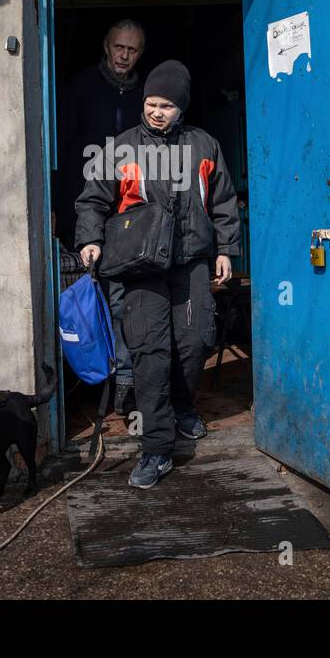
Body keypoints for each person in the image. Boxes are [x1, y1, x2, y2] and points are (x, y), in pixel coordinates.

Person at [75, 59, 241, 489]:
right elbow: (92, 199)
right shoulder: (121, 147)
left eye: (166, 105)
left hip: (192, 262)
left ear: (181, 108)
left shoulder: (205, 145)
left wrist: (227, 249)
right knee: (150, 353)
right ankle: (156, 449)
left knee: (195, 340)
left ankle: (183, 406)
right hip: (140, 267)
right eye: (151, 103)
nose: (156, 112)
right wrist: (89, 239)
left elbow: (224, 202)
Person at [55, 20, 146, 413]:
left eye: (133, 50)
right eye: (119, 47)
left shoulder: (147, 95)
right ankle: (91, 381)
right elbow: (59, 149)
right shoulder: (80, 86)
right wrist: (56, 206)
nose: (124, 55)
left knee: (127, 299)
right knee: (87, 297)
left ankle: (124, 384)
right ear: (106, 47)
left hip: (130, 214)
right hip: (83, 207)